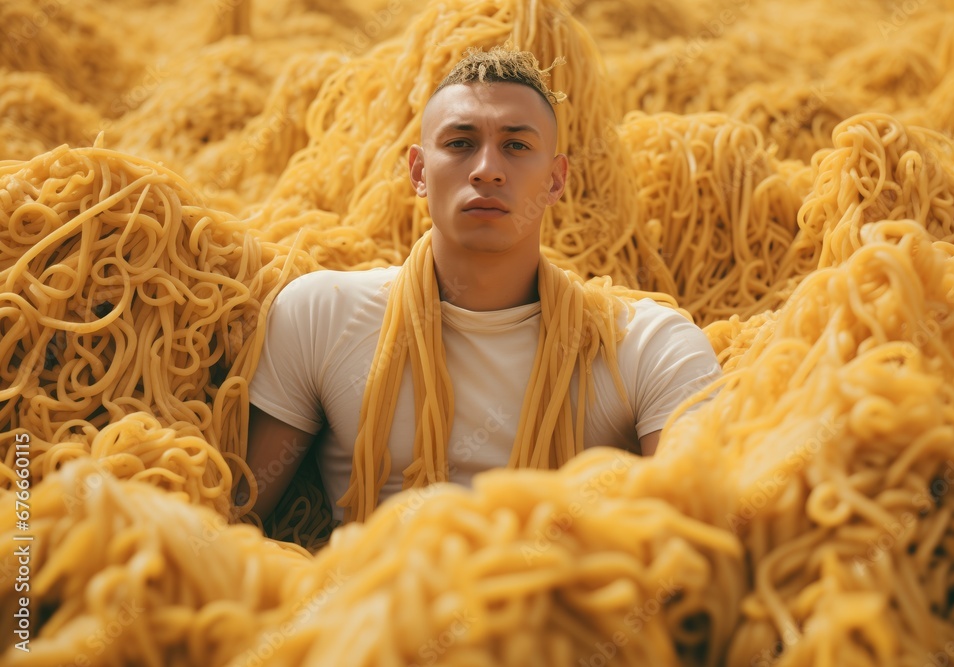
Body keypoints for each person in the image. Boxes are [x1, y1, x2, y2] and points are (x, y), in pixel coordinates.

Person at [241, 46, 722, 525]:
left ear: (556, 182)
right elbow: (239, 524)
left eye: (516, 146)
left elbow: (685, 536)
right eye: (459, 143)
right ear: (419, 172)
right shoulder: (319, 317)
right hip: (369, 577)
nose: (487, 168)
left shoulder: (648, 347)